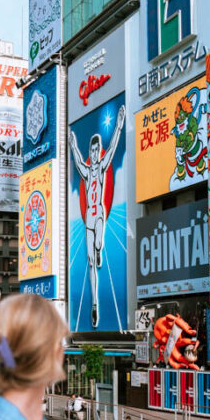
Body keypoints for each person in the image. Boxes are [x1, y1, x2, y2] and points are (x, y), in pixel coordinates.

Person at [69, 104, 125, 328]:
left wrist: (119, 125)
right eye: (91, 151)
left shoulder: (101, 167)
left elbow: (112, 149)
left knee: (98, 245)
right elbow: (76, 159)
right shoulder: (84, 171)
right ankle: (94, 305)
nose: (94, 154)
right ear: (89, 152)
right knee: (91, 262)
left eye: (96, 150)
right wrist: (73, 144)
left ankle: (100, 249)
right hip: (88, 220)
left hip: (99, 214)